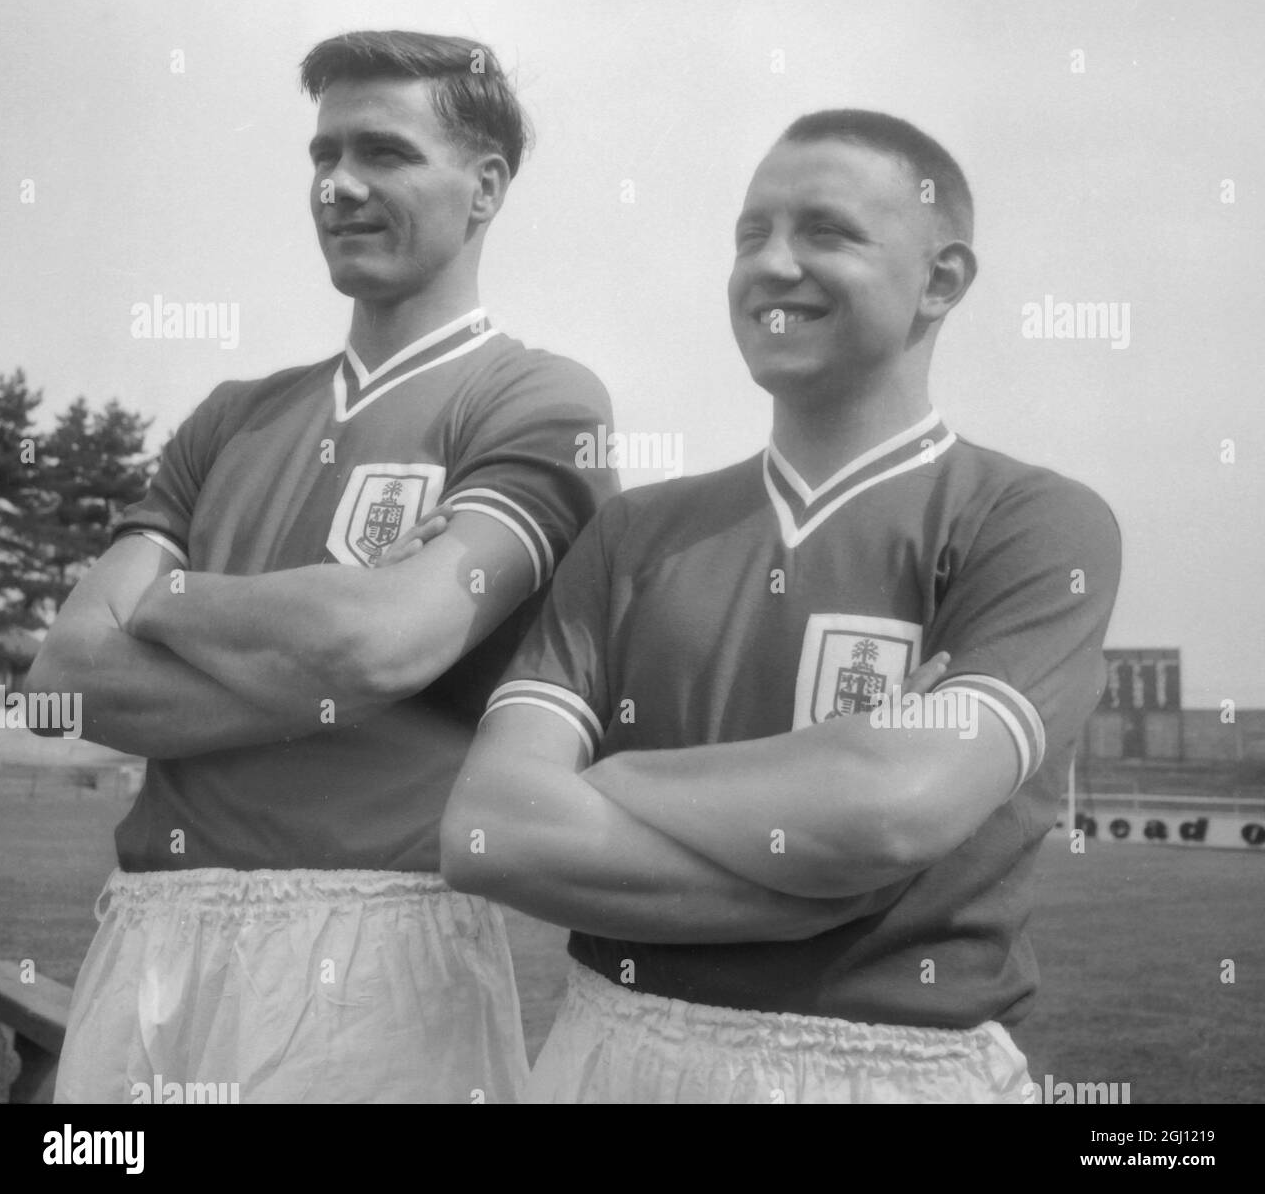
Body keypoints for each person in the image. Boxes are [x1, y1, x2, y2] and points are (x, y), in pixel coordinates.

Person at [441, 109, 1121, 1104]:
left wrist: (611, 777)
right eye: (750, 235)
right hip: (607, 1054)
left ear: (941, 279)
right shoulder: (632, 534)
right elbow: (489, 830)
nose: (771, 264)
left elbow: (891, 810)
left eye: (826, 231)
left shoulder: (1034, 522)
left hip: (899, 1075)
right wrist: (815, 845)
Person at [29, 30, 617, 1104]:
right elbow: (62, 686)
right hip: (149, 933)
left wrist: (160, 600)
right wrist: (341, 673)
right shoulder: (230, 417)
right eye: (322, 155)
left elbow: (385, 639)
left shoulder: (536, 399)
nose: (338, 186)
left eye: (383, 153)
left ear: (484, 187)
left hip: (376, 942)